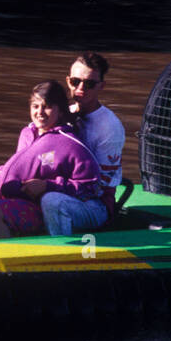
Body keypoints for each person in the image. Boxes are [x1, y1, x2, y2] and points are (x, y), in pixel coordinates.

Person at [0, 80, 101, 238]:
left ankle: (7, 258)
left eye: (47, 107)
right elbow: (23, 164)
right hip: (11, 195)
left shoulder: (70, 144)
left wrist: (47, 186)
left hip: (38, 207)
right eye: (35, 106)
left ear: (60, 111)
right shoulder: (28, 133)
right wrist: (0, 172)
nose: (40, 112)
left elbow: (90, 186)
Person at [39, 52, 124, 236]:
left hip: (95, 205)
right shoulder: (63, 114)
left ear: (102, 86)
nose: (81, 88)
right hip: (60, 187)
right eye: (75, 81)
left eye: (90, 83)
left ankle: (60, 256)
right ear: (68, 81)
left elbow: (97, 186)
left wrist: (49, 185)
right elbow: (45, 156)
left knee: (52, 201)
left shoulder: (110, 127)